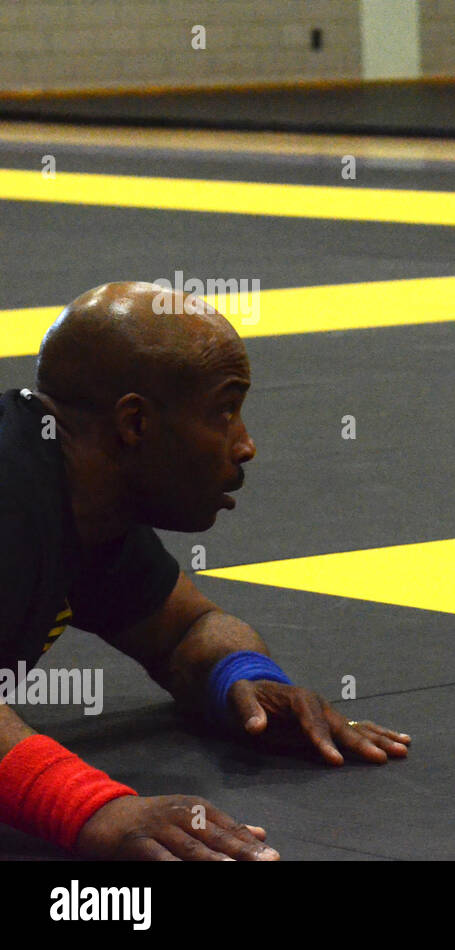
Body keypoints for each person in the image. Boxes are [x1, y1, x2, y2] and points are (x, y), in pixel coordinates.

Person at [0, 282, 411, 860]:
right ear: (135, 423)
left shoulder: (79, 500)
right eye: (224, 411)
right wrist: (93, 807)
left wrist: (241, 681)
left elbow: (184, 630)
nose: (245, 446)